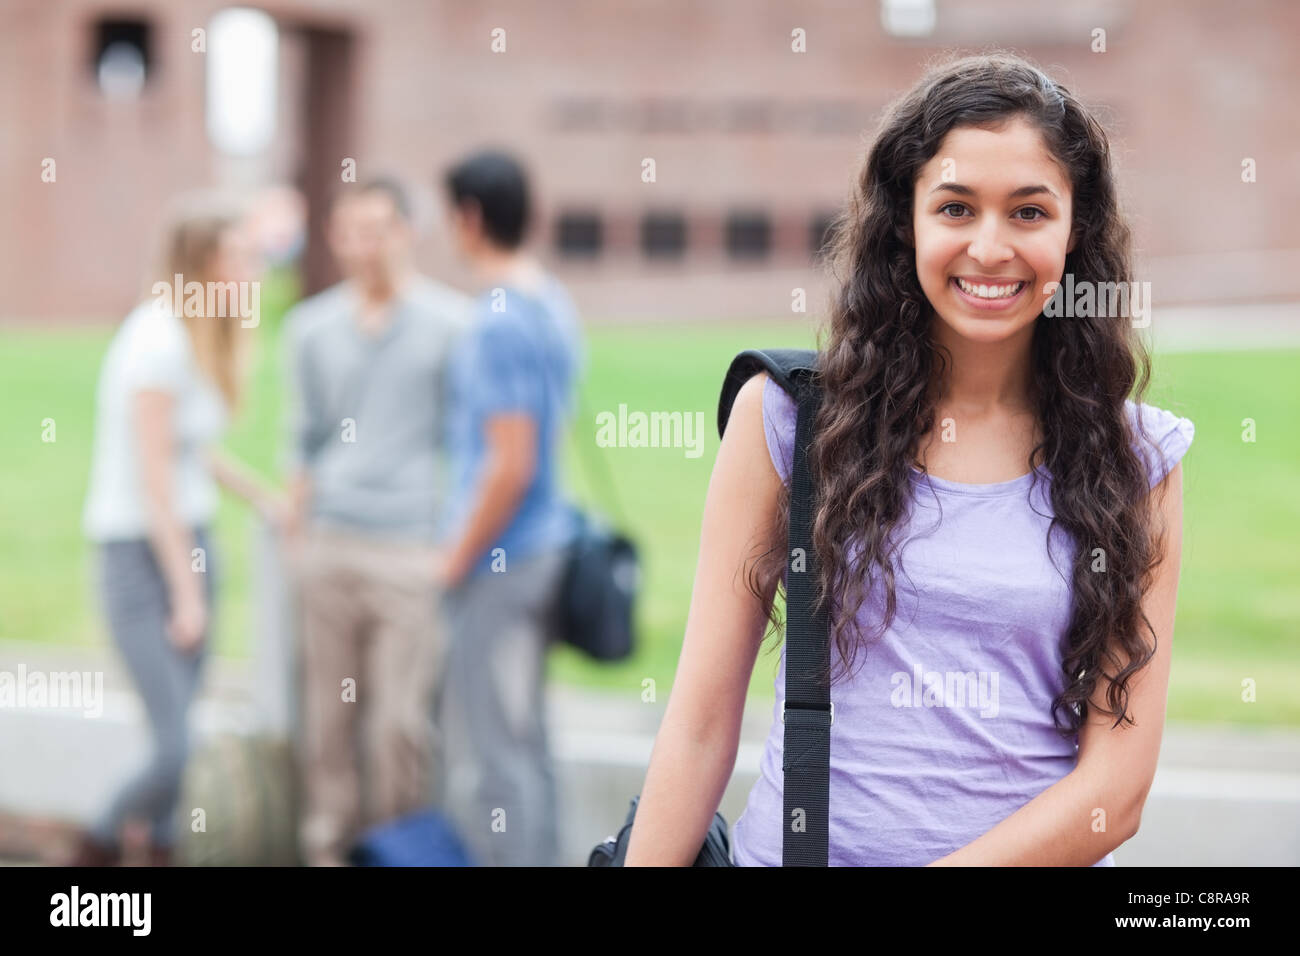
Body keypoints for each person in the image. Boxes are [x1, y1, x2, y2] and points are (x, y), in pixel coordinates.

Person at [624, 52, 1194, 867]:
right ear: (907, 222)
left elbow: (1117, 790)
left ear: (1076, 232)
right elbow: (701, 721)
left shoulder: (1139, 460)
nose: (990, 248)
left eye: (1029, 213)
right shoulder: (789, 418)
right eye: (956, 208)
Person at [72, 194, 282, 866]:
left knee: (179, 736)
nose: (254, 268)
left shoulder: (193, 336)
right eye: (240, 256)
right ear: (201, 264)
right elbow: (154, 482)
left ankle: (156, 852)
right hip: (142, 554)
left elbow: (192, 450)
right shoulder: (156, 340)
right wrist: (186, 592)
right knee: (173, 748)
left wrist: (260, 496)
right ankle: (90, 851)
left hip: (190, 544)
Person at [284, 177, 472, 867]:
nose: (364, 246)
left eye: (378, 229)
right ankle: (327, 850)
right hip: (329, 543)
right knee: (327, 719)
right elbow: (300, 439)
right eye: (350, 232)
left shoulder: (453, 325)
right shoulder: (310, 329)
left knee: (399, 724)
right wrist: (297, 540)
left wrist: (450, 545)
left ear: (408, 231)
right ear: (333, 239)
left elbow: (472, 445)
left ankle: (396, 851)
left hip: (409, 550)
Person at [432, 150, 584, 866]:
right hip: (545, 546)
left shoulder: (494, 319)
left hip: (504, 556)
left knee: (495, 752)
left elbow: (510, 461)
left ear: (469, 217)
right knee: (528, 739)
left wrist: (454, 561)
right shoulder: (547, 297)